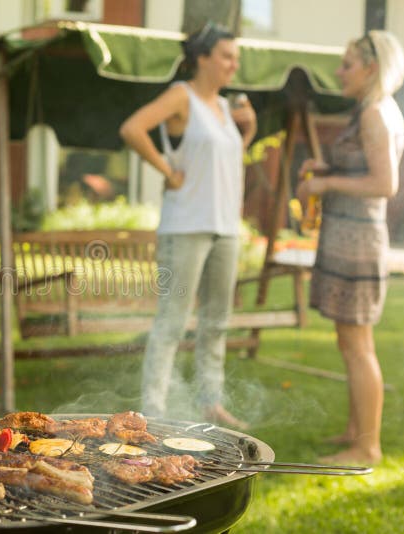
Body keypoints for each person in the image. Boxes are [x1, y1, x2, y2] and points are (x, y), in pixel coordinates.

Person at [119, 22, 256, 430]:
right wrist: (166, 169)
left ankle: (210, 404)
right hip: (185, 227)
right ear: (203, 58)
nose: (234, 65)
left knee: (216, 322)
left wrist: (248, 130)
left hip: (225, 228)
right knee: (172, 322)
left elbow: (223, 161)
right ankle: (154, 412)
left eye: (236, 58)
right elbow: (132, 128)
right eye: (227, 57)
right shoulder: (183, 96)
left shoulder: (227, 108)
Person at [296, 31, 404, 465]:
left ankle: (368, 447)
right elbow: (363, 167)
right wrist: (323, 167)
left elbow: (385, 184)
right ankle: (355, 431)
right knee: (350, 342)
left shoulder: (376, 113)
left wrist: (325, 182)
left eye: (347, 64)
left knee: (359, 345)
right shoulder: (370, 111)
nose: (340, 72)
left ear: (371, 68)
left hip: (359, 241)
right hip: (348, 238)